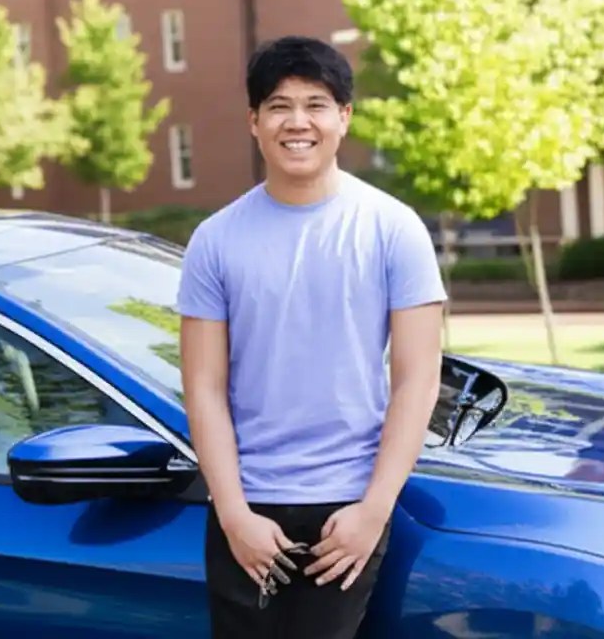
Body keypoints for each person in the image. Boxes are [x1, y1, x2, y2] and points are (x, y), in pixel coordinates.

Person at [177, 35, 447, 638]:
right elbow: (203, 386)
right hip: (247, 510)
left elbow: (417, 378)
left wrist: (373, 512)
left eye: (316, 104)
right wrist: (233, 514)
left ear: (344, 118)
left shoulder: (394, 230)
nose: (297, 122)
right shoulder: (215, 241)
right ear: (253, 121)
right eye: (278, 105)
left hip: (348, 506)